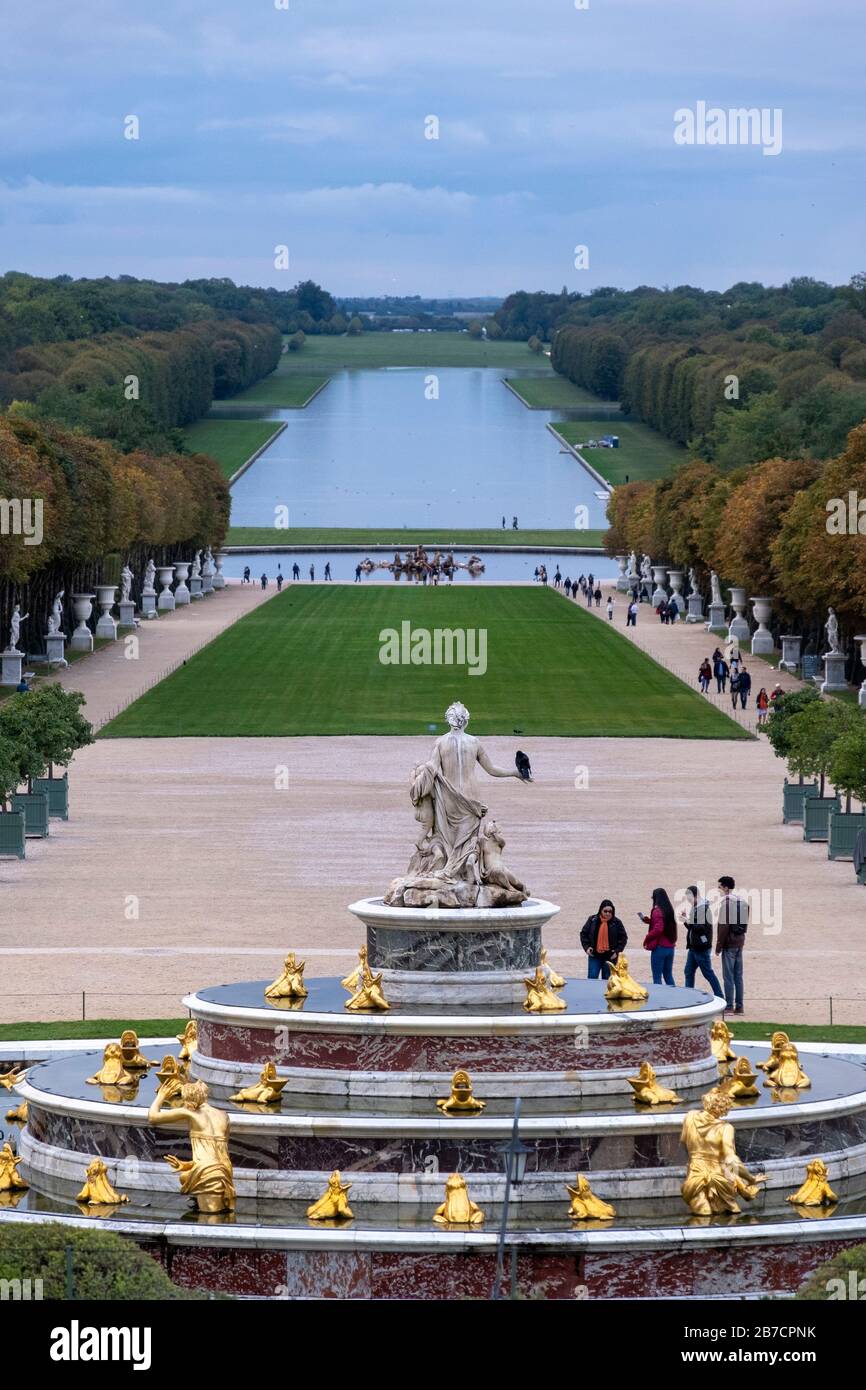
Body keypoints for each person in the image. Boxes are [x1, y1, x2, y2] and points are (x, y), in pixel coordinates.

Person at [682, 886, 724, 998]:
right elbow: (693, 928)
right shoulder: (695, 908)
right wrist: (686, 920)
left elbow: (701, 928)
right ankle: (689, 997)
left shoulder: (703, 909)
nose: (689, 901)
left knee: (707, 973)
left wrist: (688, 921)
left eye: (690, 899)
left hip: (701, 948)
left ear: (696, 896)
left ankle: (720, 996)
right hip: (693, 947)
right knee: (688, 972)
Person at [715, 875, 748, 1013]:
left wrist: (718, 946)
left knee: (728, 977)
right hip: (739, 942)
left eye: (720, 886)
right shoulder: (742, 902)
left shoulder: (726, 903)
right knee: (738, 976)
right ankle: (739, 1006)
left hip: (729, 944)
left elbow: (723, 927)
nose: (719, 889)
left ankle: (729, 1006)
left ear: (726, 887)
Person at [580, 899, 627, 981]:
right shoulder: (592, 920)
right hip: (594, 955)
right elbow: (584, 934)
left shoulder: (617, 922)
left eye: (610, 911)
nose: (608, 913)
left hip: (610, 957)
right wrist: (587, 947)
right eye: (605, 911)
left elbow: (623, 938)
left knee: (608, 981)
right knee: (592, 979)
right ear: (600, 910)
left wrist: (617, 951)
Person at [639, 887, 677, 985]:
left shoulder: (657, 911)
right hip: (670, 947)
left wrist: (647, 937)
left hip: (660, 948)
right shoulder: (669, 909)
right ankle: (674, 997)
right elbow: (663, 924)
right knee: (668, 975)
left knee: (657, 977)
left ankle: (660, 999)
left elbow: (659, 928)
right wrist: (649, 921)